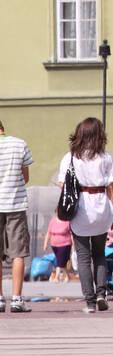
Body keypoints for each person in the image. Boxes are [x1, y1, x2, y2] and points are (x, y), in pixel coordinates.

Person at [57, 117, 113, 314]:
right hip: (101, 205)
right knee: (99, 254)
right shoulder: (106, 157)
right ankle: (101, 294)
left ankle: (90, 302)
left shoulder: (71, 157)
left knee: (83, 256)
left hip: (81, 207)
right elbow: (111, 187)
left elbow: (62, 185)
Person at [0, 118, 34, 313]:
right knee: (18, 253)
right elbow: (26, 177)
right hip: (15, 204)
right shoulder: (20, 144)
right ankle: (16, 299)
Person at [43, 214, 72, 283]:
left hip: (65, 244)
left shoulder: (67, 222)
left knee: (60, 261)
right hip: (54, 245)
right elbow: (49, 232)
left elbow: (71, 234)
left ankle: (56, 277)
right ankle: (67, 276)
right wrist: (45, 243)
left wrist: (73, 244)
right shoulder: (53, 221)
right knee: (62, 261)